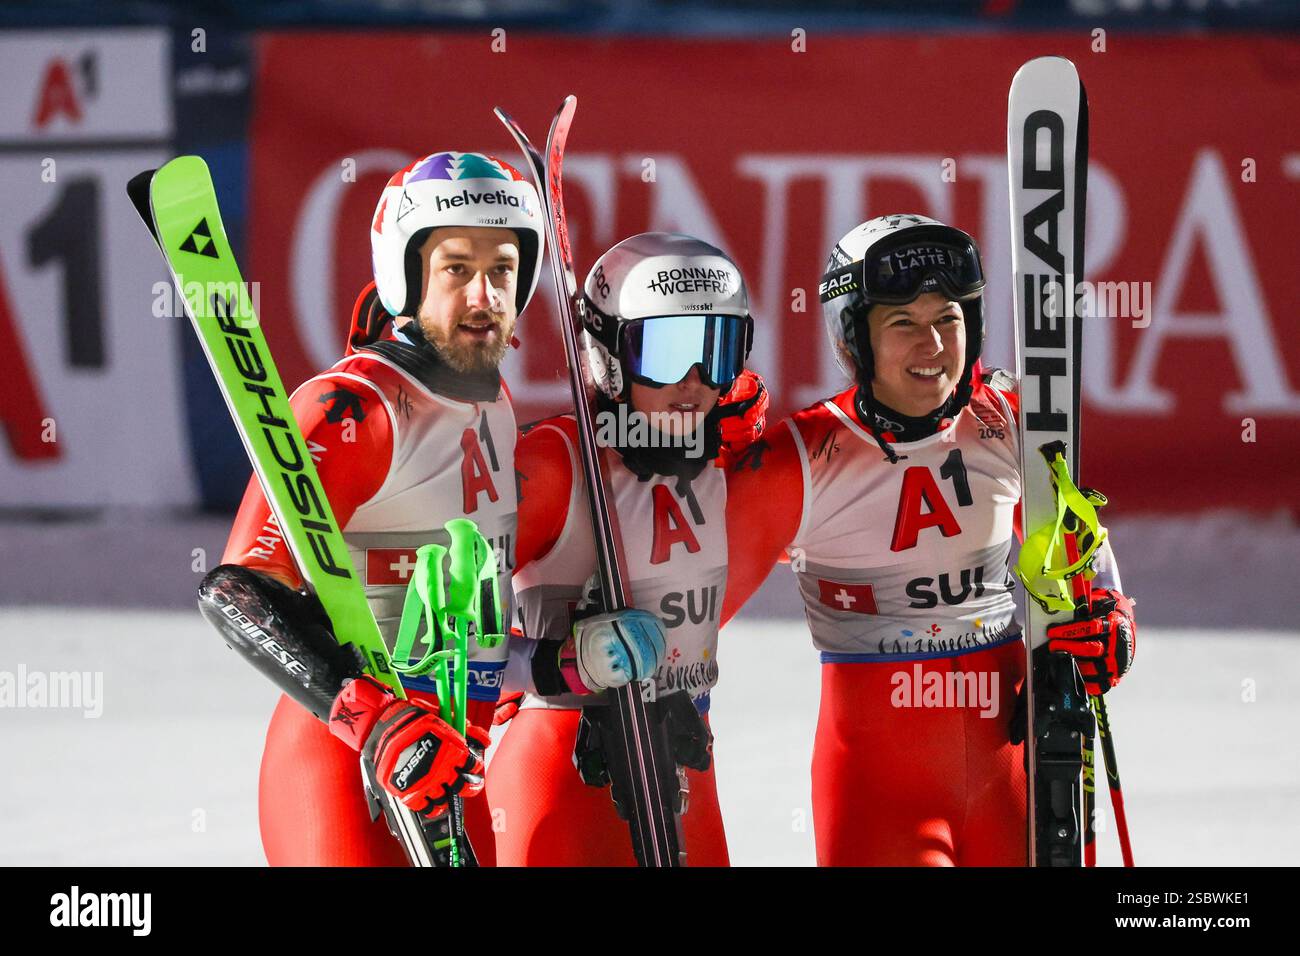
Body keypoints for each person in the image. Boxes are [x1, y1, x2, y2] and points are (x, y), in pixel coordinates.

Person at [722, 214, 1137, 866]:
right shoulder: (802, 457)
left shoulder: (1010, 417)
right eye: (903, 324)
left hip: (1015, 781)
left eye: (948, 318)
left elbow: (1082, 554)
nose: (933, 345)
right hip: (882, 800)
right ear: (855, 337)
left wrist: (1110, 624)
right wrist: (703, 466)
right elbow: (679, 599)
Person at [197, 150, 566, 866]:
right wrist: (379, 722)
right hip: (346, 769)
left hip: (449, 777)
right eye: (456, 269)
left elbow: (464, 629)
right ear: (405, 273)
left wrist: (559, 669)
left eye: (503, 271)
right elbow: (237, 591)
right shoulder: (357, 407)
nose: (484, 295)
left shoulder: (492, 404)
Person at [486, 233, 767, 866]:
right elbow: (432, 640)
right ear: (608, 357)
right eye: (666, 352)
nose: (694, 382)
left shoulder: (725, 458)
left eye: (716, 352)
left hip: (684, 762)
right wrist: (557, 664)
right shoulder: (556, 464)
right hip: (563, 773)